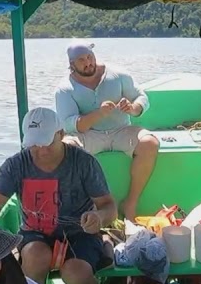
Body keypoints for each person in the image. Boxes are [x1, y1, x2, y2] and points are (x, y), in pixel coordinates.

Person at [0, 106, 116, 284]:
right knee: (35, 256)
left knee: (76, 273)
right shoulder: (15, 165)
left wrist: (99, 217)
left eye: (46, 142)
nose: (41, 150)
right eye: (34, 144)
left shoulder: (84, 162)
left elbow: (109, 206)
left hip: (79, 231)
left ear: (61, 134)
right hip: (35, 232)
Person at [54, 40, 159, 222]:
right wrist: (99, 113)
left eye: (90, 57)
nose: (88, 63)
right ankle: (88, 207)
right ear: (72, 64)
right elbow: (69, 124)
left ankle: (131, 202)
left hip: (121, 130)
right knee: (66, 148)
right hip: (89, 135)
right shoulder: (64, 89)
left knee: (150, 143)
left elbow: (142, 98)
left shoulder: (118, 74)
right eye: (82, 60)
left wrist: (133, 108)